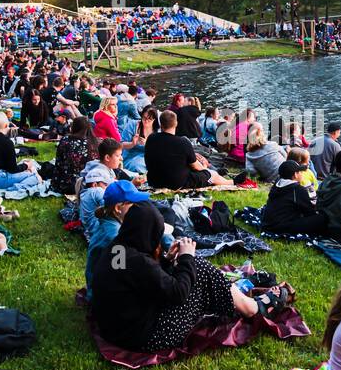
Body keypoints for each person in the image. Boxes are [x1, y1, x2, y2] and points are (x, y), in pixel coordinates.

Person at [89, 204, 290, 352]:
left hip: (116, 328)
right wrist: (186, 258)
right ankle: (253, 308)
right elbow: (178, 293)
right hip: (143, 337)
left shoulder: (118, 248)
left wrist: (167, 261)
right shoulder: (137, 261)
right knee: (199, 268)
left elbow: (139, 279)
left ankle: (238, 295)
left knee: (190, 269)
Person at [85, 179, 151, 299]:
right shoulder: (114, 237)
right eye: (132, 204)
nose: (137, 207)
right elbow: (120, 270)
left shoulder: (110, 221)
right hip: (104, 297)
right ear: (118, 208)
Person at [144, 110, 233, 189]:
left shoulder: (151, 138)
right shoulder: (182, 142)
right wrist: (206, 169)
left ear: (161, 124)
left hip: (154, 181)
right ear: (176, 123)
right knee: (211, 175)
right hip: (176, 183)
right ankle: (232, 182)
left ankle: (218, 173)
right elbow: (196, 166)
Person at [261, 160, 330, 236]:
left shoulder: (277, 183)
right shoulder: (297, 189)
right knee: (322, 218)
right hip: (280, 227)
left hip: (268, 223)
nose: (302, 174)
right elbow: (309, 212)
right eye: (300, 172)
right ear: (295, 175)